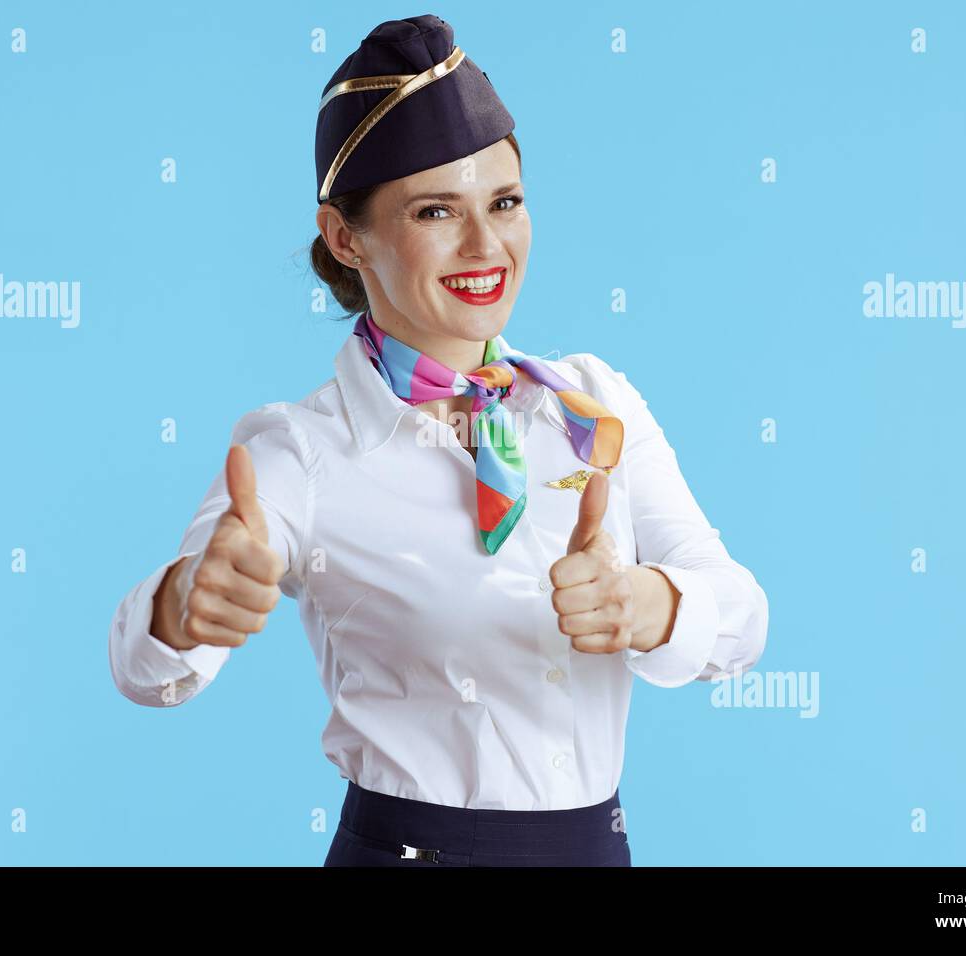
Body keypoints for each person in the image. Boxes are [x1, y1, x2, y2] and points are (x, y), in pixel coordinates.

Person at [108, 14, 769, 867]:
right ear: (347, 237)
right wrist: (189, 599)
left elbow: (742, 617)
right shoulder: (301, 450)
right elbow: (144, 668)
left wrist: (650, 605)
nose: (485, 245)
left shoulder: (594, 406)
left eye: (505, 202)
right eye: (435, 212)